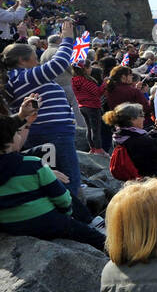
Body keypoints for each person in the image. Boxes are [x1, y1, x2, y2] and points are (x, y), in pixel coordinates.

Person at [0, 100, 104, 249]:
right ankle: (117, 251)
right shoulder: (34, 163)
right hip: (46, 220)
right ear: (10, 140)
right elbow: (62, 198)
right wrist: (66, 214)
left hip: (10, 225)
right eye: (17, 133)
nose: (20, 136)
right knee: (90, 235)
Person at [4, 19, 83, 203]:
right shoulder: (25, 76)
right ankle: (73, 216)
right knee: (69, 177)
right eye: (34, 56)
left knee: (53, 177)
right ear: (22, 61)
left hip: (45, 132)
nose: (37, 60)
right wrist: (68, 39)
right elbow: (60, 63)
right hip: (53, 132)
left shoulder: (17, 77)